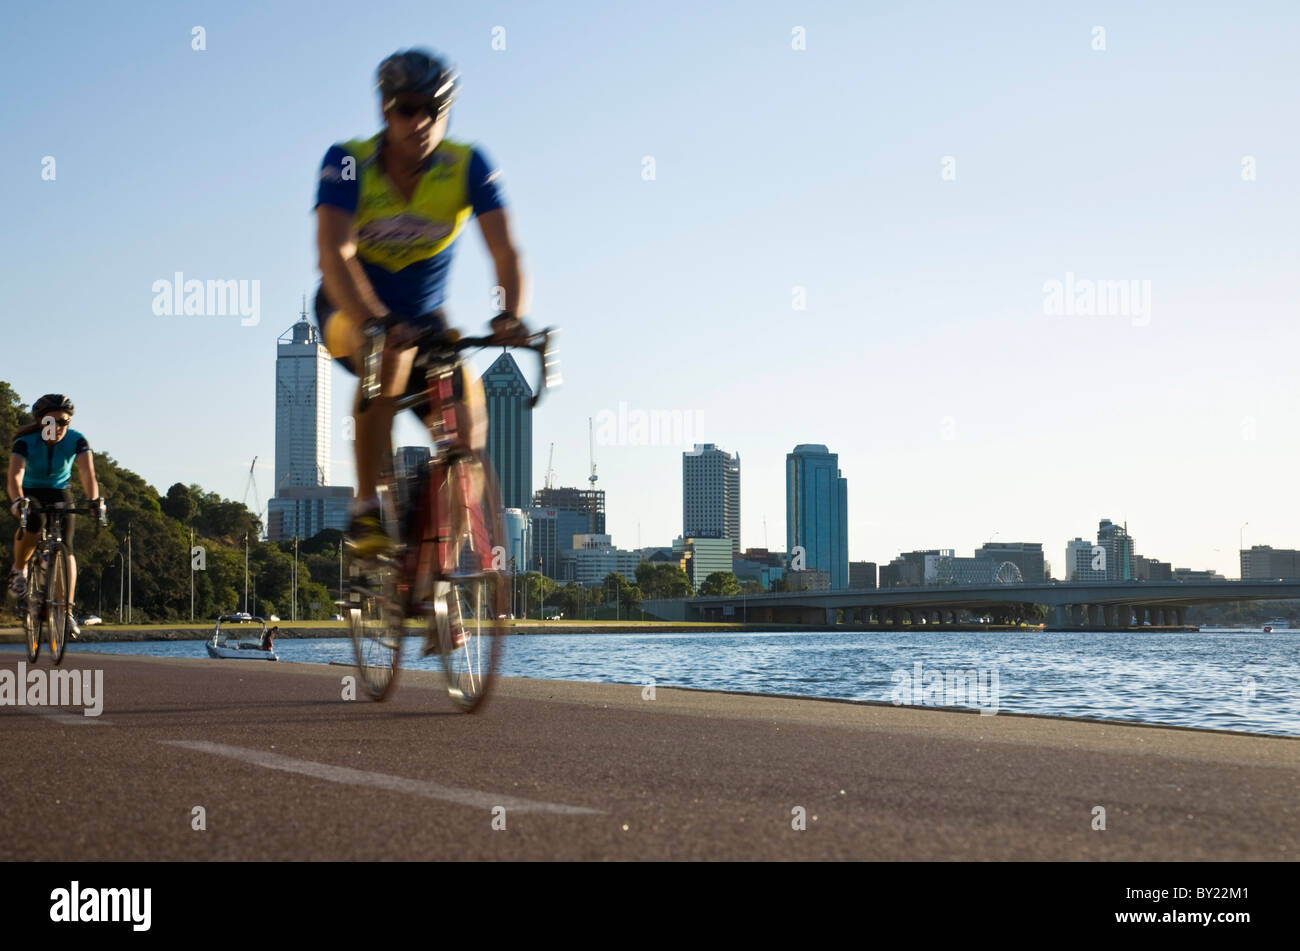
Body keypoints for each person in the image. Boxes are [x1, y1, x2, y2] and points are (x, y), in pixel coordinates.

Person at [314, 47, 530, 559]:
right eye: (408, 109)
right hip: (350, 310)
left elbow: (504, 249)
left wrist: (509, 313)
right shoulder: (348, 162)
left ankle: (440, 569)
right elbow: (335, 252)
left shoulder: (466, 165)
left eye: (435, 108)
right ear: (385, 110)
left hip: (425, 322)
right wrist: (376, 320)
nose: (422, 121)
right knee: (387, 362)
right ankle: (367, 509)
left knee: (469, 429)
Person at [6, 394, 106, 637]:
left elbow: (87, 473)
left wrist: (94, 501)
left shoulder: (77, 440)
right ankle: (19, 571)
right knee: (34, 521)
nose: (58, 427)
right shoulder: (25, 441)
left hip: (60, 491)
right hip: (29, 490)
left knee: (67, 547)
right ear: (41, 422)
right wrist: (18, 501)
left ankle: (67, 612)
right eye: (52, 421)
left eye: (64, 422)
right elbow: (15, 476)